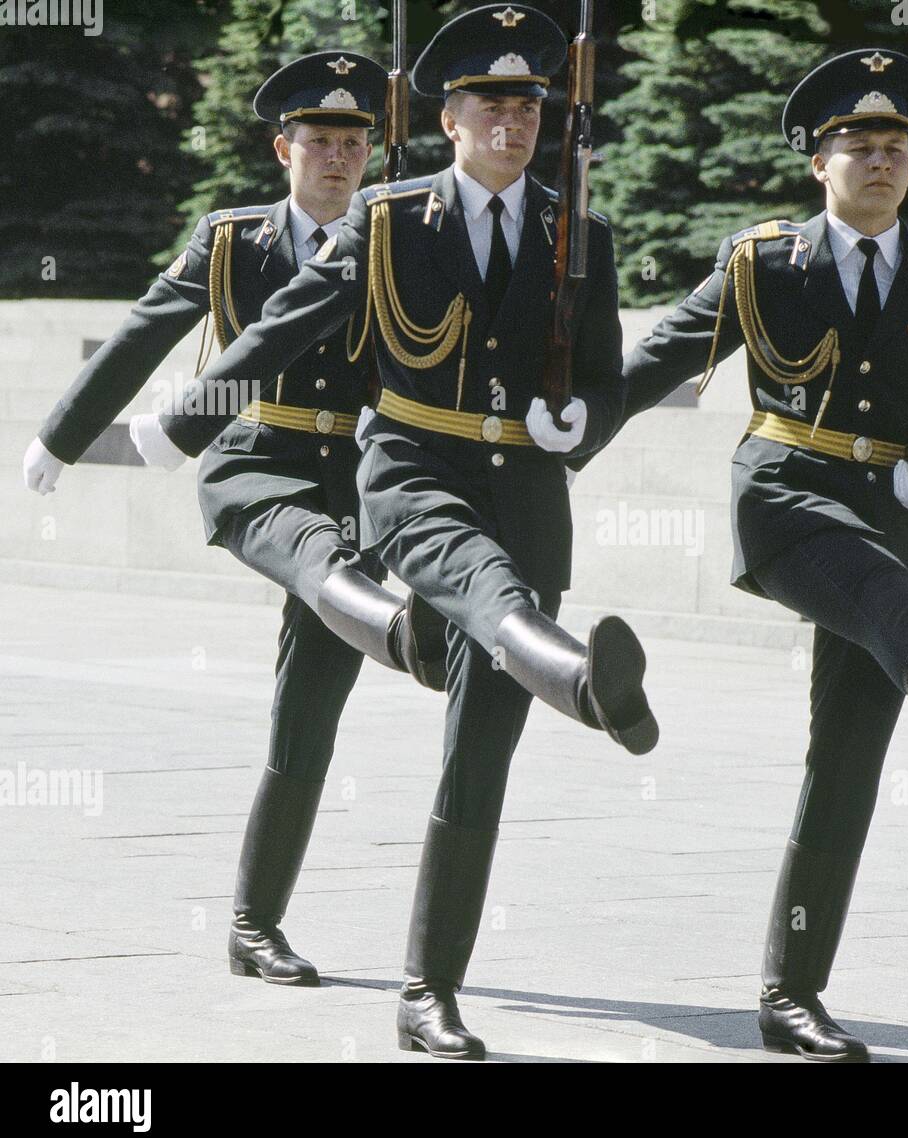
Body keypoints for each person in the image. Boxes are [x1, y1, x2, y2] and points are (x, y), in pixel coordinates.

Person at [130, 5, 657, 1059]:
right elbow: (284, 326)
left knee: (476, 758)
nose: (512, 124)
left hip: (527, 500)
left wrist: (584, 419)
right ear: (449, 118)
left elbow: (605, 376)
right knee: (423, 631)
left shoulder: (579, 231)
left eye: (528, 107)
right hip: (411, 485)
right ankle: (575, 682)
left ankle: (429, 991)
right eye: (490, 106)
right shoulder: (390, 217)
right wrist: (186, 417)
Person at [610, 49, 908, 1062]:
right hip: (788, 498)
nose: (880, 163)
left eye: (896, 148)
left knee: (847, 763)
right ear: (816, 165)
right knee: (882, 605)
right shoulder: (763, 262)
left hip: (899, 514)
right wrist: (567, 428)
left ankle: (791, 997)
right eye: (857, 147)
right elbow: (658, 357)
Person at [21, 51, 449, 988]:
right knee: (318, 558)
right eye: (319, 141)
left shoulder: (398, 240)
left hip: (354, 478)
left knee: (307, 716)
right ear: (280, 148)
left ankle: (253, 926)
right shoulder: (234, 243)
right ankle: (396, 628)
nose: (337, 158)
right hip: (256, 463)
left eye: (352, 142)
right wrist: (62, 435)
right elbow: (144, 332)